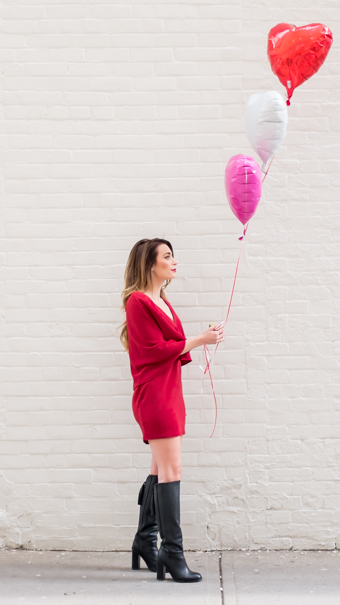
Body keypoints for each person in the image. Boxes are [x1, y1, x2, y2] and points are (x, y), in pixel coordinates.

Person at [119, 238, 224, 583]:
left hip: (168, 390)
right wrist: (200, 339)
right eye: (167, 256)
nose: (174, 261)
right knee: (172, 468)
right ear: (150, 265)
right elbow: (153, 350)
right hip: (155, 393)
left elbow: (172, 349)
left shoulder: (161, 300)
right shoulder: (138, 302)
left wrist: (199, 338)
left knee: (159, 467)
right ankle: (172, 552)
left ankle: (145, 542)